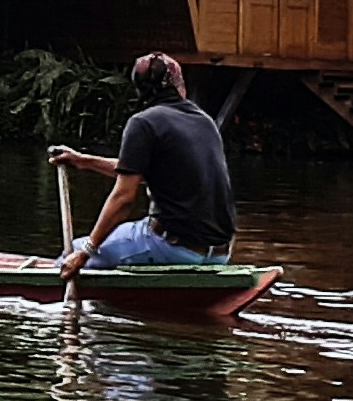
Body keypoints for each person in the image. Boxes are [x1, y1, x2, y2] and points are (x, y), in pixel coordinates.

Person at [49, 52, 237, 272]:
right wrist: (84, 161)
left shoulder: (143, 123)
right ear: (179, 85)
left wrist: (86, 251)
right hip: (220, 254)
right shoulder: (205, 123)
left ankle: (64, 299)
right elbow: (142, 171)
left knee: (72, 250)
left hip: (171, 249)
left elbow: (123, 199)